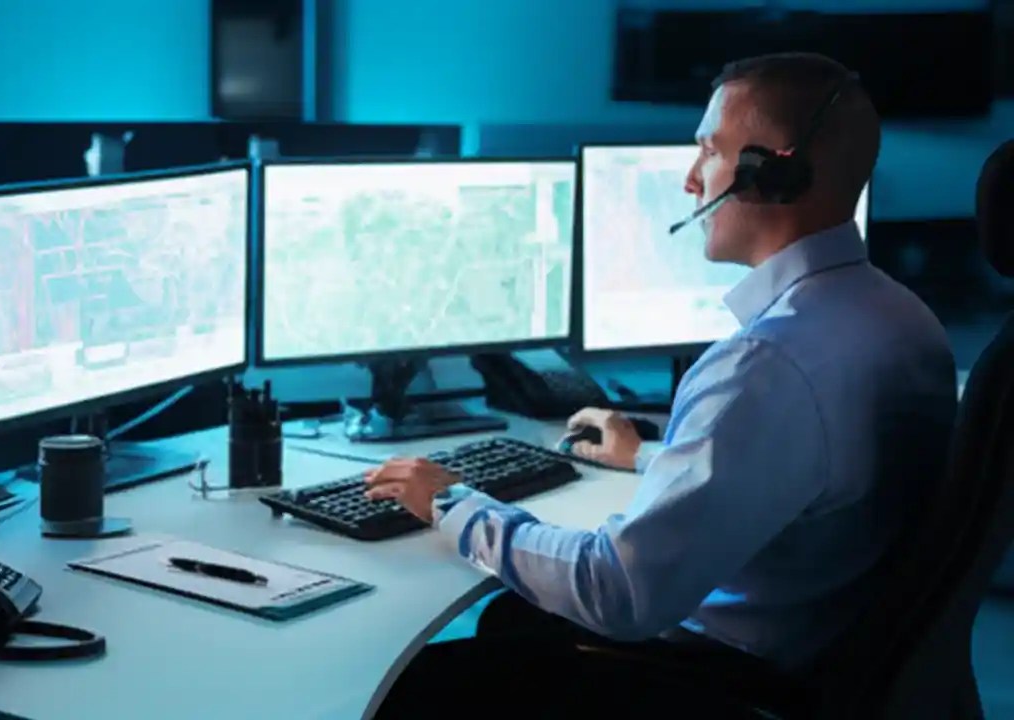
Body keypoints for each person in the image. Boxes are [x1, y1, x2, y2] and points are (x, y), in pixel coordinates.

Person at [366, 53, 959, 717]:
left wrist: (453, 504)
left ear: (771, 174)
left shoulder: (765, 364)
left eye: (709, 150)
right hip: (819, 657)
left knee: (418, 685)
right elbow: (801, 476)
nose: (690, 179)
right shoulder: (902, 318)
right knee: (509, 619)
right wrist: (648, 456)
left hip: (718, 682)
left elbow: (617, 592)